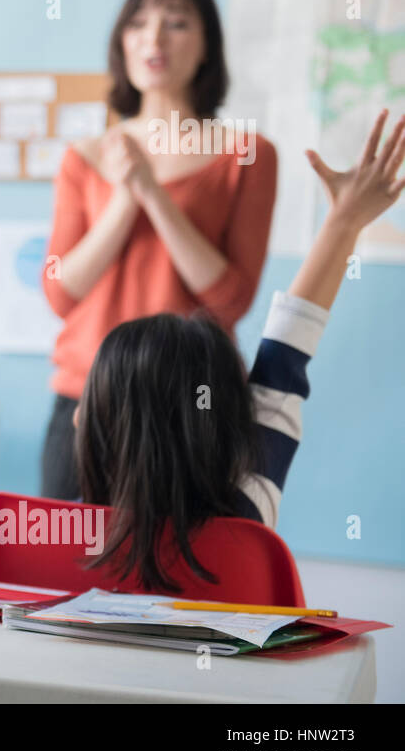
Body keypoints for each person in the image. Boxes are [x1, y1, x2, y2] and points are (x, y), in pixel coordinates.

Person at [74, 109, 405, 591]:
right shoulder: (249, 502)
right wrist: (345, 220)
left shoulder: (65, 536)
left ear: (95, 426)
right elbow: (290, 341)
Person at [40, 0, 278, 498]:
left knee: (185, 553)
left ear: (207, 46)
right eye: (138, 23)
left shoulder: (248, 154)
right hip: (85, 397)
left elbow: (231, 300)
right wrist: (126, 198)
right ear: (121, 41)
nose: (154, 38)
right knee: (61, 548)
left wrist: (152, 192)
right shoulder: (85, 156)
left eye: (177, 23)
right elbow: (60, 293)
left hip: (193, 405)